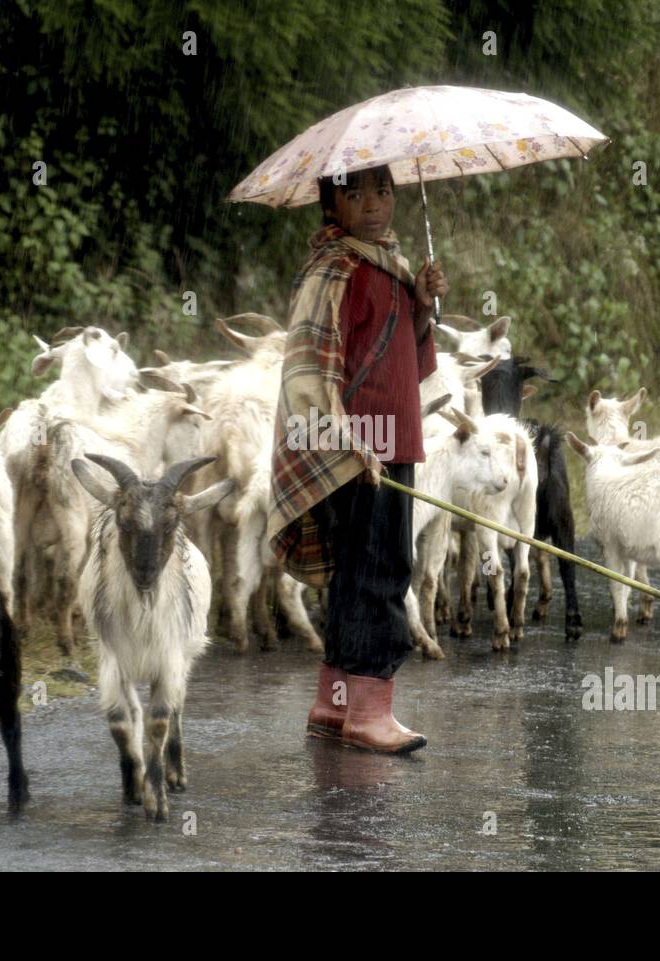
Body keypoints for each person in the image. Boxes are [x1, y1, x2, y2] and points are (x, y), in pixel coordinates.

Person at [266, 164, 448, 754]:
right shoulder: (335, 270)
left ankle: (333, 705)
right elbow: (309, 369)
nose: (374, 204)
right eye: (356, 193)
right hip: (360, 449)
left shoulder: (387, 266)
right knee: (381, 569)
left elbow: (403, 357)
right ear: (332, 205)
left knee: (357, 573)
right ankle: (370, 713)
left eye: (384, 191)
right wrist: (348, 439)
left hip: (389, 443)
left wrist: (420, 305)